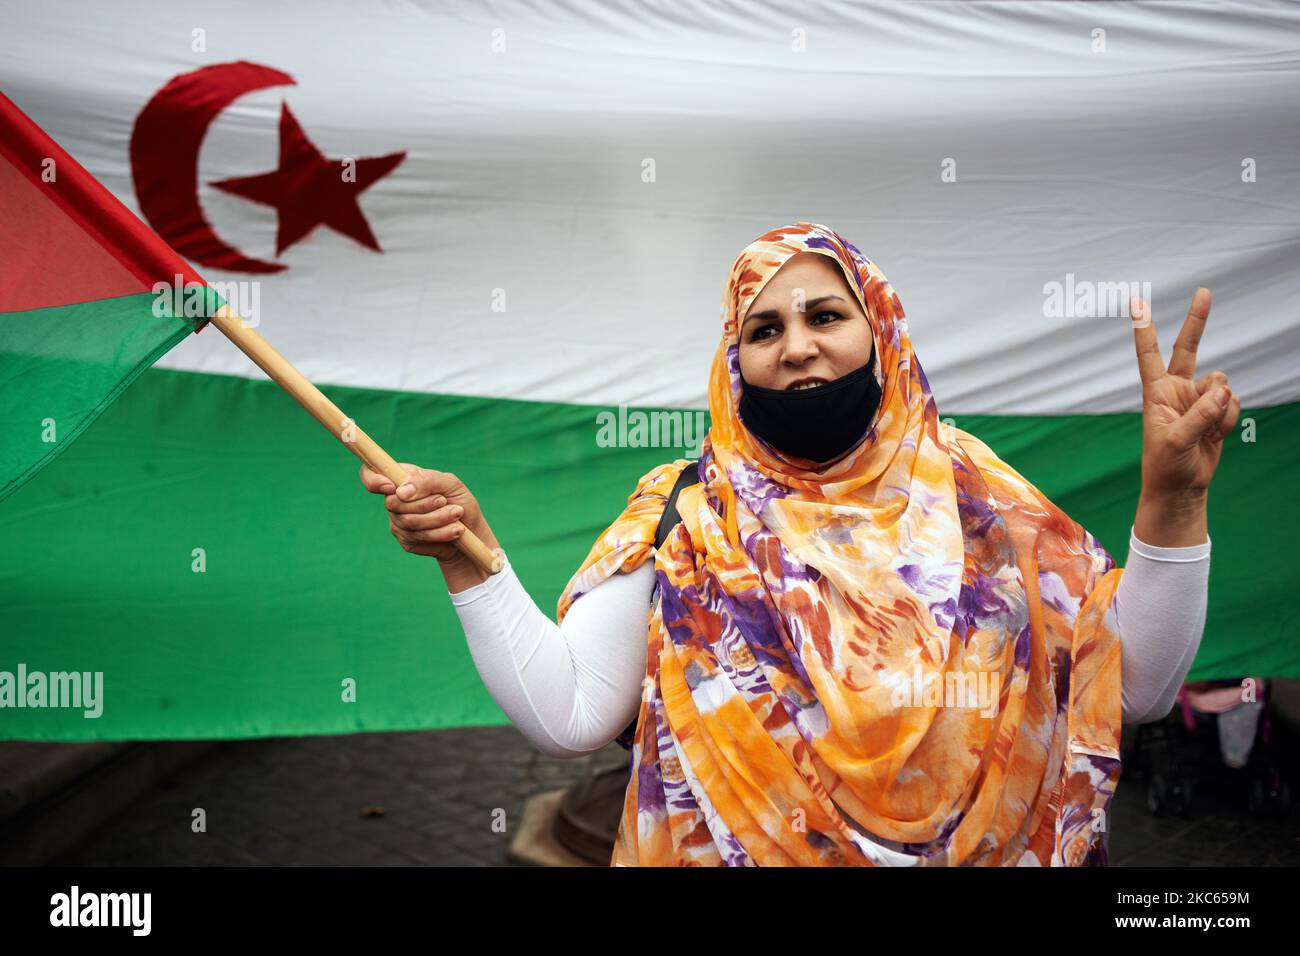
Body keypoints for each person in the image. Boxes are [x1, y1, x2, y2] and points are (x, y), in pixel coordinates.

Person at [360, 221, 1237, 866]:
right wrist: (466, 553)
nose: (799, 347)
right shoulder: (684, 513)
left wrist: (1175, 499)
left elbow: (1142, 687)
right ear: (733, 362)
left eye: (825, 315)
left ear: (880, 333)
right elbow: (571, 713)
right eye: (765, 329)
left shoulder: (982, 500)